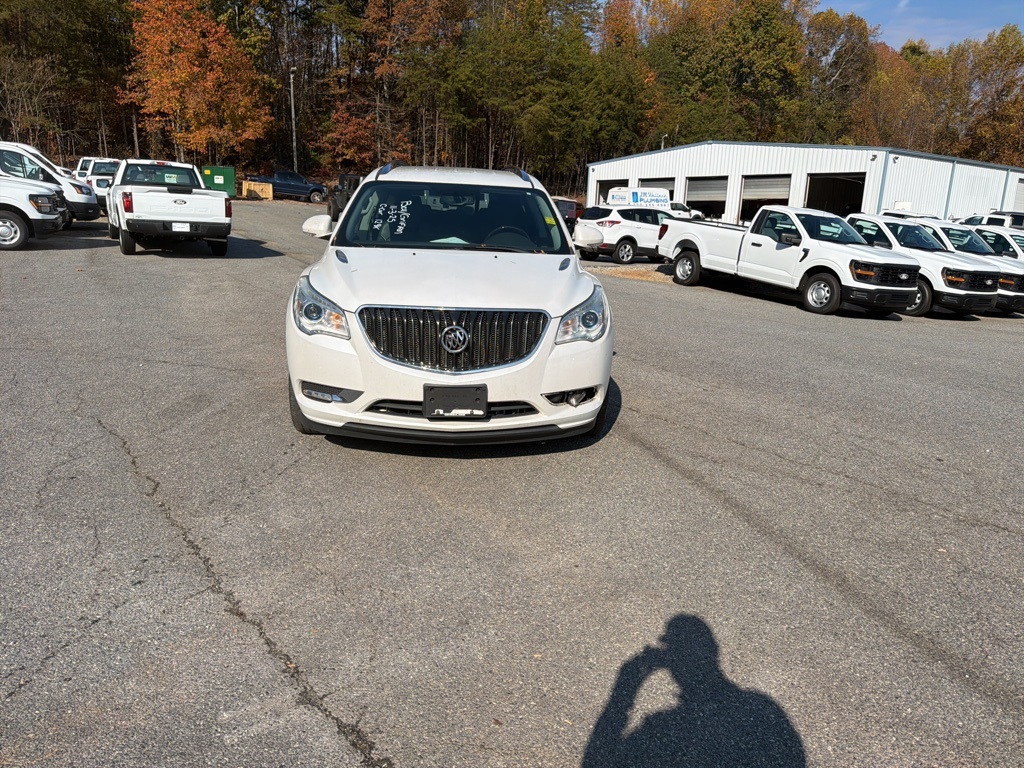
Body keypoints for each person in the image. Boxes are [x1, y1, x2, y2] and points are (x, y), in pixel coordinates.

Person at [583, 615, 806, 768]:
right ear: (714, 652)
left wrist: (626, 686)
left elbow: (598, 761)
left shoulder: (664, 728)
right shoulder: (762, 707)